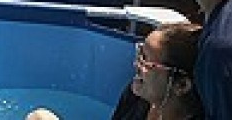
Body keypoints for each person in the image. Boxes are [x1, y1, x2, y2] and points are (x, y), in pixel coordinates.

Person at [27, 23, 203, 120]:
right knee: (38, 117)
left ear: (181, 85)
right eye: (140, 53)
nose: (136, 64)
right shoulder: (137, 98)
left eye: (147, 62)